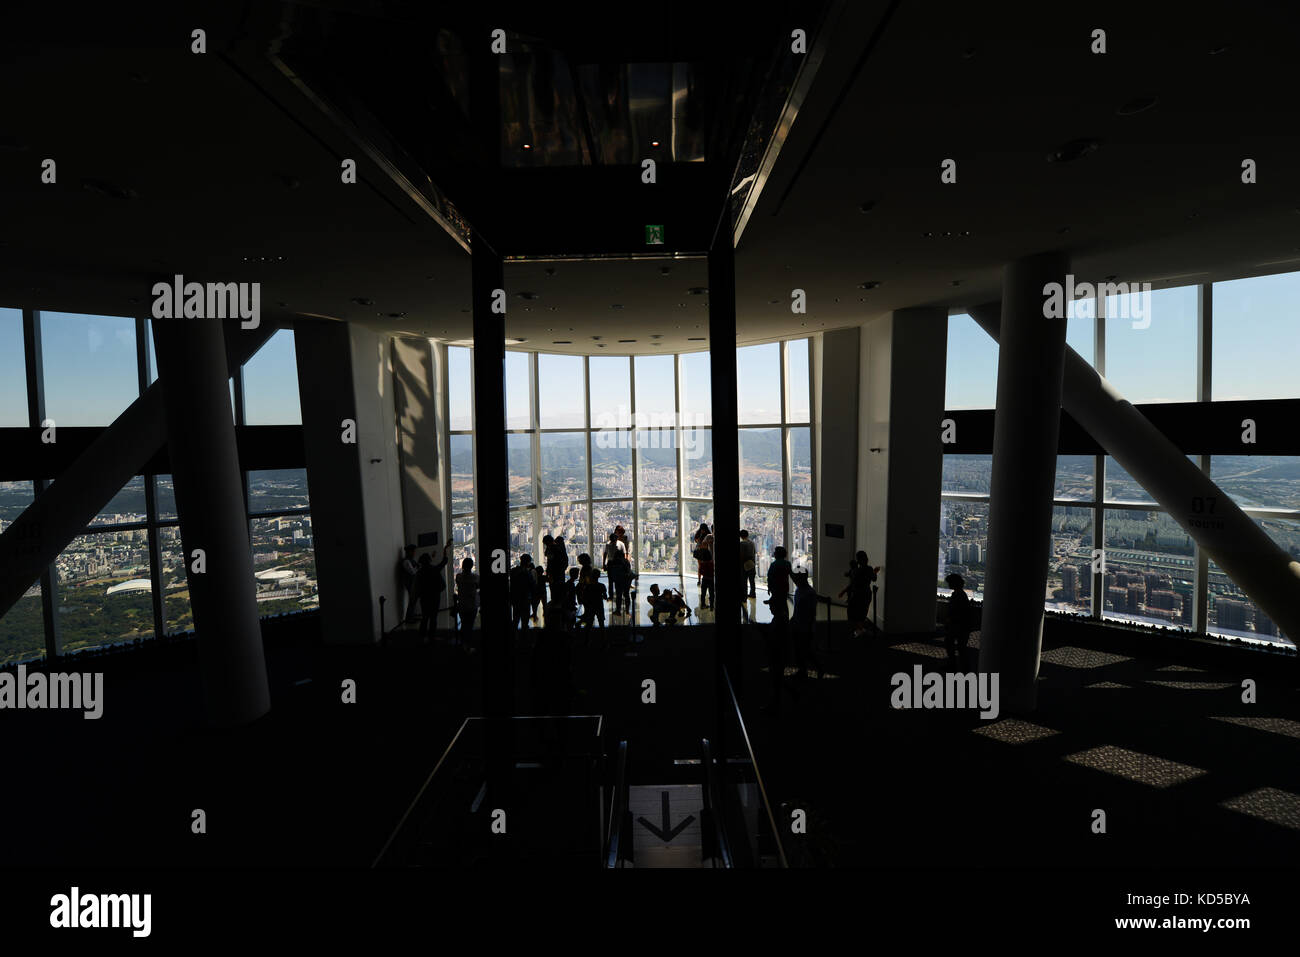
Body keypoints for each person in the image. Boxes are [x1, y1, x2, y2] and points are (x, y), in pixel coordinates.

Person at [791, 570, 826, 679]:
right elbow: (797, 609)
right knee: (800, 649)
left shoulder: (808, 593)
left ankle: (817, 668)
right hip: (799, 624)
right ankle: (804, 670)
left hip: (805, 626)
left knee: (805, 650)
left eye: (796, 578)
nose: (795, 580)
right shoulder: (800, 590)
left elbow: (811, 613)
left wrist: (811, 629)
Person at [839, 551, 880, 637]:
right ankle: (860, 631)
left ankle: (857, 631)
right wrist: (875, 572)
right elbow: (874, 579)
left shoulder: (855, 571)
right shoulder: (869, 569)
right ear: (866, 559)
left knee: (854, 613)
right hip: (866, 594)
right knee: (862, 613)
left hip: (856, 595)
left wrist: (843, 591)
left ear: (858, 560)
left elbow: (852, 584)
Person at [415, 544, 451, 639]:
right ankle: (432, 636)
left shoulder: (419, 573)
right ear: (429, 561)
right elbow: (444, 561)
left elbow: (417, 587)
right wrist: (445, 550)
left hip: (424, 598)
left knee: (425, 617)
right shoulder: (434, 569)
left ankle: (422, 636)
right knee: (433, 618)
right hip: (435, 597)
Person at [944, 573, 972, 661]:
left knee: (951, 644)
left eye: (950, 582)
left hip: (957, 625)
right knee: (961, 648)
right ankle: (962, 668)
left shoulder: (957, 595)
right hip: (961, 626)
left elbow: (955, 611)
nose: (948, 584)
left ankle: (954, 665)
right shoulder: (961, 594)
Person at [454, 557, 480, 641]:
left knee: (464, 623)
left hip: (462, 604)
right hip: (472, 605)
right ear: (472, 566)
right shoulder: (476, 577)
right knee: (470, 624)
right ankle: (468, 643)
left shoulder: (458, 577)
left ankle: (462, 642)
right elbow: (478, 586)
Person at [510, 555, 535, 631]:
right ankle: (524, 639)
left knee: (515, 619)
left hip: (516, 598)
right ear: (528, 562)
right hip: (525, 598)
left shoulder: (513, 571)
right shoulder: (527, 573)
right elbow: (532, 585)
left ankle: (513, 639)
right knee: (525, 621)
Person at [398, 544, 420, 625]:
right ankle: (409, 618)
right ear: (409, 552)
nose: (414, 553)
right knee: (412, 601)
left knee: (413, 601)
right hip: (410, 583)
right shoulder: (406, 561)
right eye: (413, 551)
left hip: (412, 583)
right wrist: (418, 567)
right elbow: (412, 572)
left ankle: (411, 617)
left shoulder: (410, 560)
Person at [607, 548, 632, 617]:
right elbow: (629, 571)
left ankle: (618, 610)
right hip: (626, 580)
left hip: (618, 581)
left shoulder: (613, 562)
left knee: (619, 596)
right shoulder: (626, 561)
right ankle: (627, 610)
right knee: (626, 595)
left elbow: (610, 573)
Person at [696, 537, 715, 609]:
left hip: (704, 579)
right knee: (711, 593)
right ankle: (712, 605)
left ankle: (703, 604)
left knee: (703, 593)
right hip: (711, 579)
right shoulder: (711, 564)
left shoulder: (702, 564)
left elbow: (700, 572)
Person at [738, 530, 757, 598]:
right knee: (752, 581)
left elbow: (741, 555)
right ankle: (753, 593)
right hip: (752, 563)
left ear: (741, 536)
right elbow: (754, 552)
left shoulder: (742, 544)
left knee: (744, 581)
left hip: (744, 564)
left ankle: (744, 596)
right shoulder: (752, 543)